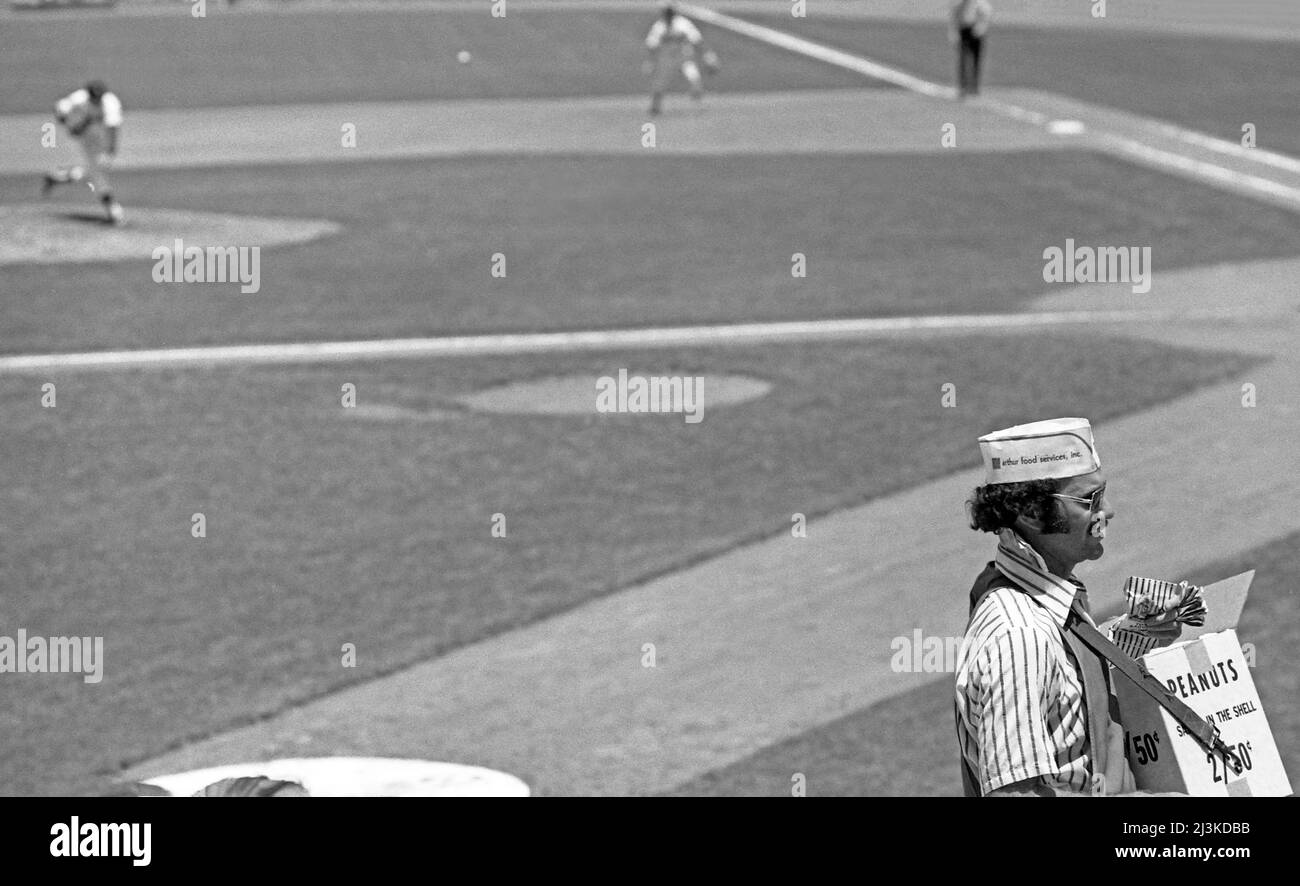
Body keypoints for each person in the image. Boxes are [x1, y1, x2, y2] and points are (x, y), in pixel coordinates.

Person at [955, 417, 1148, 796]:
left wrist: (1143, 630)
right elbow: (1015, 794)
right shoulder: (1019, 636)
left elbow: (1070, 678)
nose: (1107, 511)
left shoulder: (1041, 590)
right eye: (1089, 500)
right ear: (1031, 514)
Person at [42, 80, 125, 225]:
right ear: (89, 94)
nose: (95, 99)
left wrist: (110, 151)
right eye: (93, 96)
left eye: (98, 97)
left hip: (102, 138)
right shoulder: (80, 98)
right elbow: (60, 108)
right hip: (87, 139)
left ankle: (60, 177)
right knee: (97, 175)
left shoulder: (111, 104)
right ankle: (113, 211)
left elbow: (113, 130)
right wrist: (67, 123)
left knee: (95, 171)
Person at [642, 3, 716, 116]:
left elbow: (697, 41)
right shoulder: (659, 26)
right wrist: (649, 62)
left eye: (669, 13)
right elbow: (652, 46)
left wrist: (708, 56)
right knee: (659, 84)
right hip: (667, 59)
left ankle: (700, 106)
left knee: (695, 79)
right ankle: (655, 107)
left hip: (684, 57)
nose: (668, 16)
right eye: (667, 13)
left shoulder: (683, 24)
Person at [949, 0, 992, 98]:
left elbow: (985, 17)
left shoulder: (981, 4)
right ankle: (962, 87)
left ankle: (974, 86)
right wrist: (954, 33)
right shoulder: (959, 4)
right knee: (963, 60)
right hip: (964, 31)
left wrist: (980, 29)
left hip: (976, 32)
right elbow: (954, 18)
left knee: (976, 60)